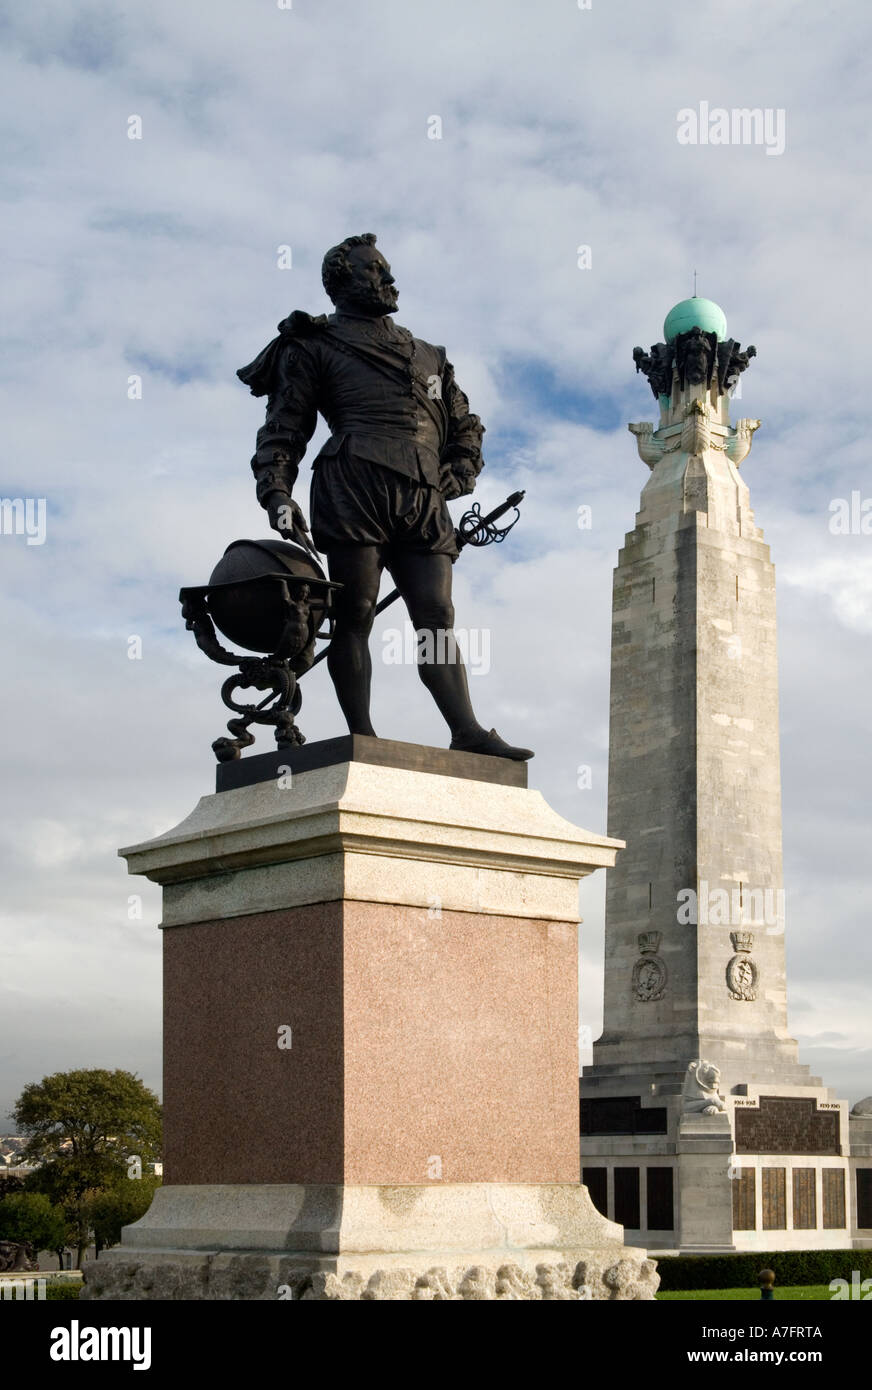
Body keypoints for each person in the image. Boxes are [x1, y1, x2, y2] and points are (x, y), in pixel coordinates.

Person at [237, 233, 532, 760]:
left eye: (387, 270)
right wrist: (277, 491)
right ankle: (362, 735)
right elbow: (285, 428)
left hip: (423, 494)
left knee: (437, 614)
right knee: (356, 612)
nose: (390, 280)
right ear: (342, 283)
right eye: (375, 271)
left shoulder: (429, 356)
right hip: (354, 483)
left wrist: (459, 475)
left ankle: (465, 728)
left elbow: (465, 427)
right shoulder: (313, 345)